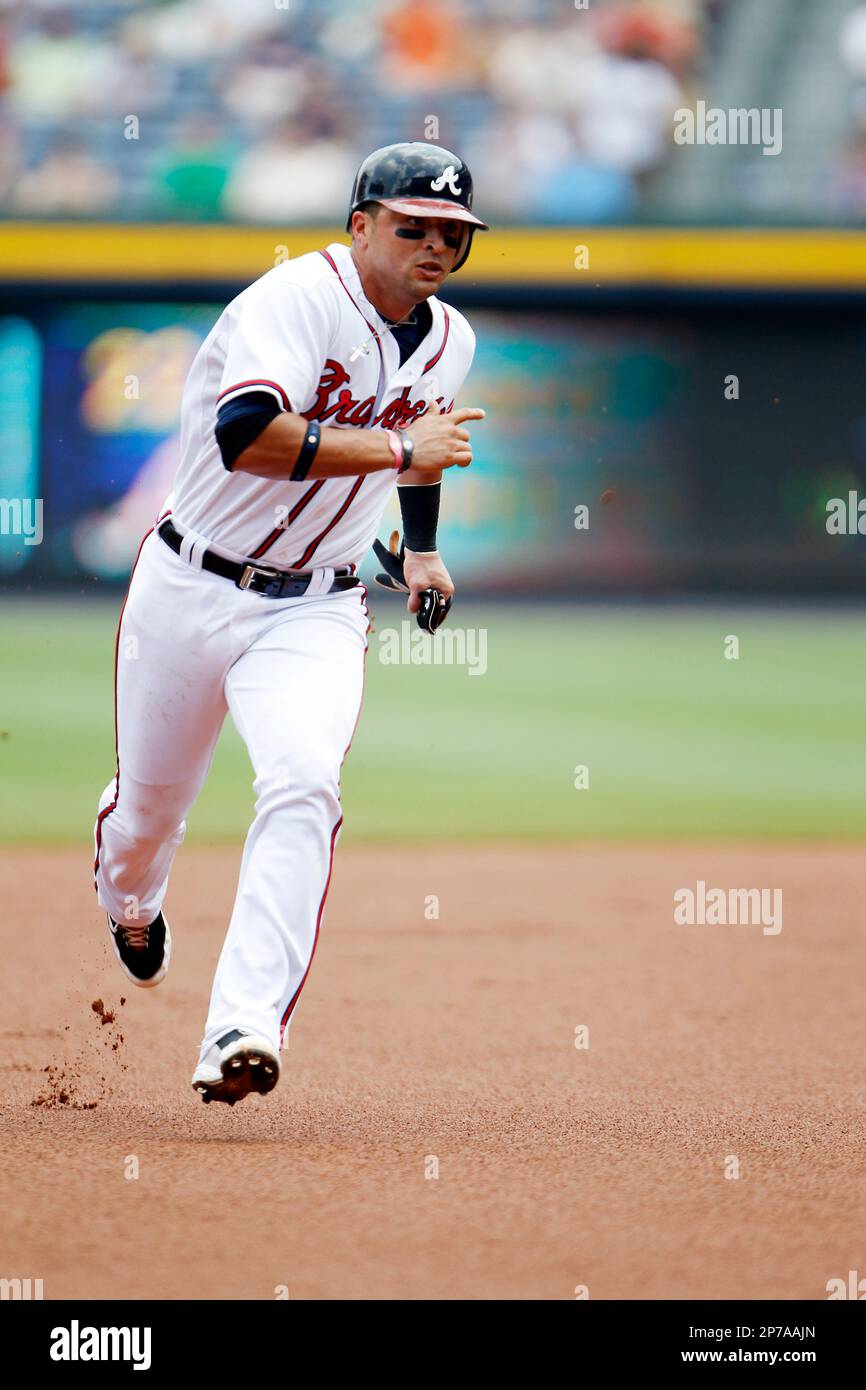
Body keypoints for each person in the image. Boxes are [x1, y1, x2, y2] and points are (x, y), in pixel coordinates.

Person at [93, 142, 488, 1106]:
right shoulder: (291, 301)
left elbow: (422, 456)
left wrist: (421, 547)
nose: (435, 245)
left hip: (315, 606)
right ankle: (131, 903)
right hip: (187, 588)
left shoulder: (452, 340)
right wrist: (400, 444)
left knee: (304, 783)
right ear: (360, 225)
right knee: (147, 823)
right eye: (412, 227)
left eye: (454, 233)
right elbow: (248, 437)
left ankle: (242, 1024)